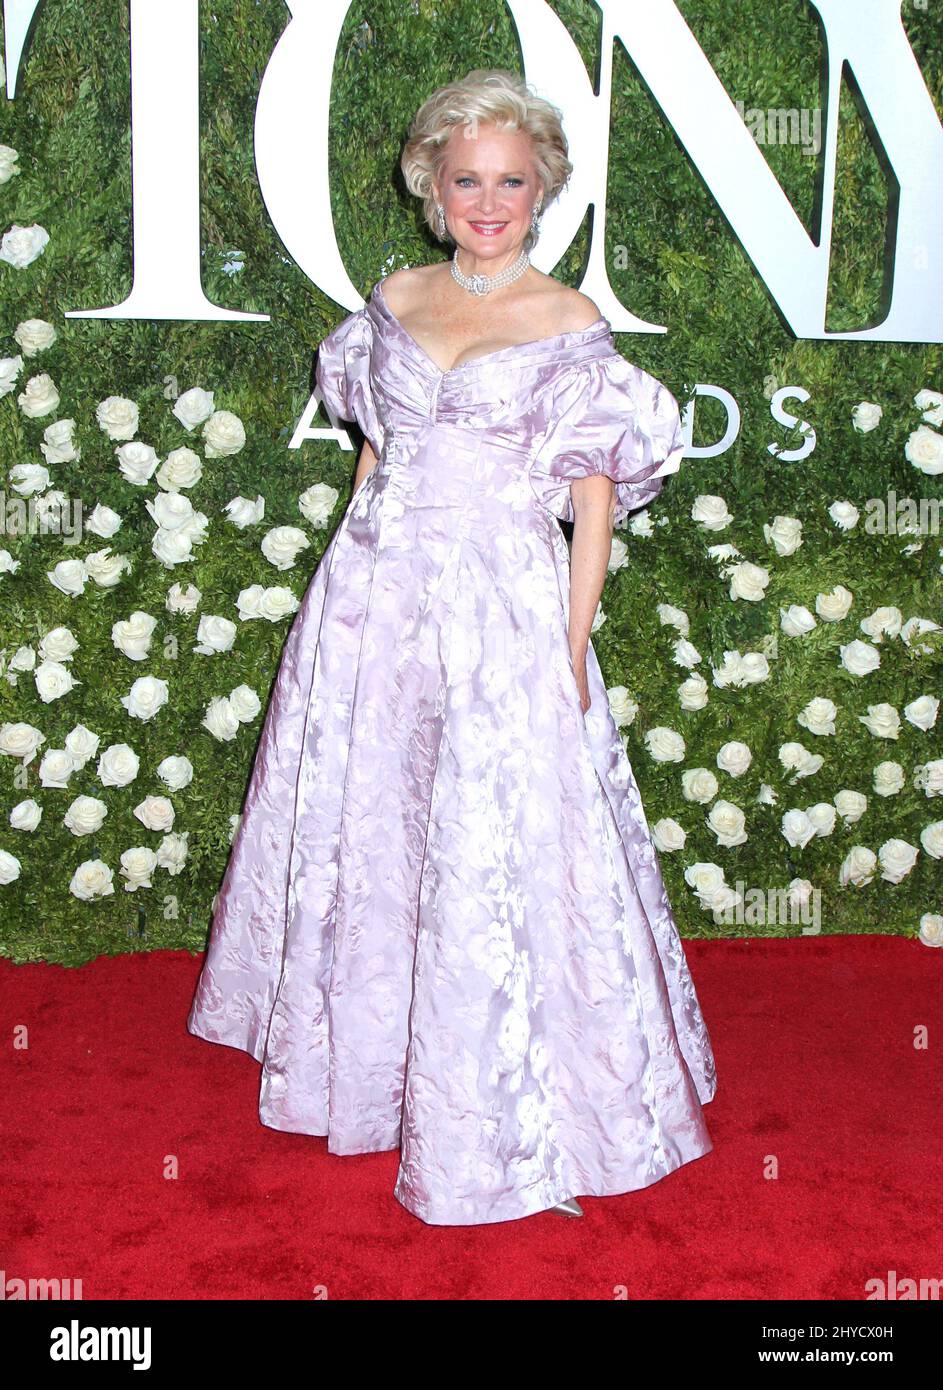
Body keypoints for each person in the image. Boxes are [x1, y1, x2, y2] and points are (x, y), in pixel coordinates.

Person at [187, 67, 717, 1227]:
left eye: (511, 183)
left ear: (543, 190)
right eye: (466, 179)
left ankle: (513, 1099)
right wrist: (345, 583)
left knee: (493, 831)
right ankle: (358, 1067)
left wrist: (572, 643)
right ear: (432, 183)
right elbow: (372, 454)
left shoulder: (568, 322)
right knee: (370, 822)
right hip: (374, 595)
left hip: (498, 602)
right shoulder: (394, 297)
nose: (488, 203)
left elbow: (592, 499)